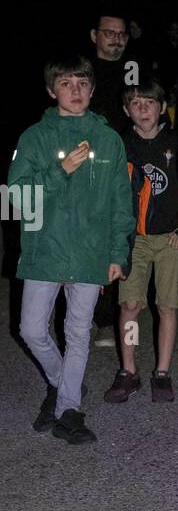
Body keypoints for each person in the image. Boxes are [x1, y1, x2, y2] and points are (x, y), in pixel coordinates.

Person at [7, 55, 134, 443]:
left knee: (78, 333)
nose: (75, 91)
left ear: (92, 90)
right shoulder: (33, 137)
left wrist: (118, 253)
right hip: (44, 251)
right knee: (30, 329)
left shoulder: (109, 139)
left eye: (82, 83)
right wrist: (59, 172)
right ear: (51, 90)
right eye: (66, 83)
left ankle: (68, 411)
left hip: (90, 253)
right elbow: (14, 200)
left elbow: (121, 203)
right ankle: (64, 388)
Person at [104, 80, 178, 405]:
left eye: (150, 102)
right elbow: (110, 195)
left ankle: (162, 372)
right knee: (130, 305)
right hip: (135, 240)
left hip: (171, 239)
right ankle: (129, 372)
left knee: (167, 306)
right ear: (127, 111)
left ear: (161, 108)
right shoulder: (120, 146)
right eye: (136, 103)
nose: (143, 108)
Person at [88, 10, 133, 347]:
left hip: (124, 167)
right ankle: (92, 316)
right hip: (88, 167)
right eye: (109, 33)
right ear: (95, 35)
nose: (115, 39)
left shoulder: (135, 71)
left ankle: (115, 317)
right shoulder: (82, 71)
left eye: (120, 34)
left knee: (120, 241)